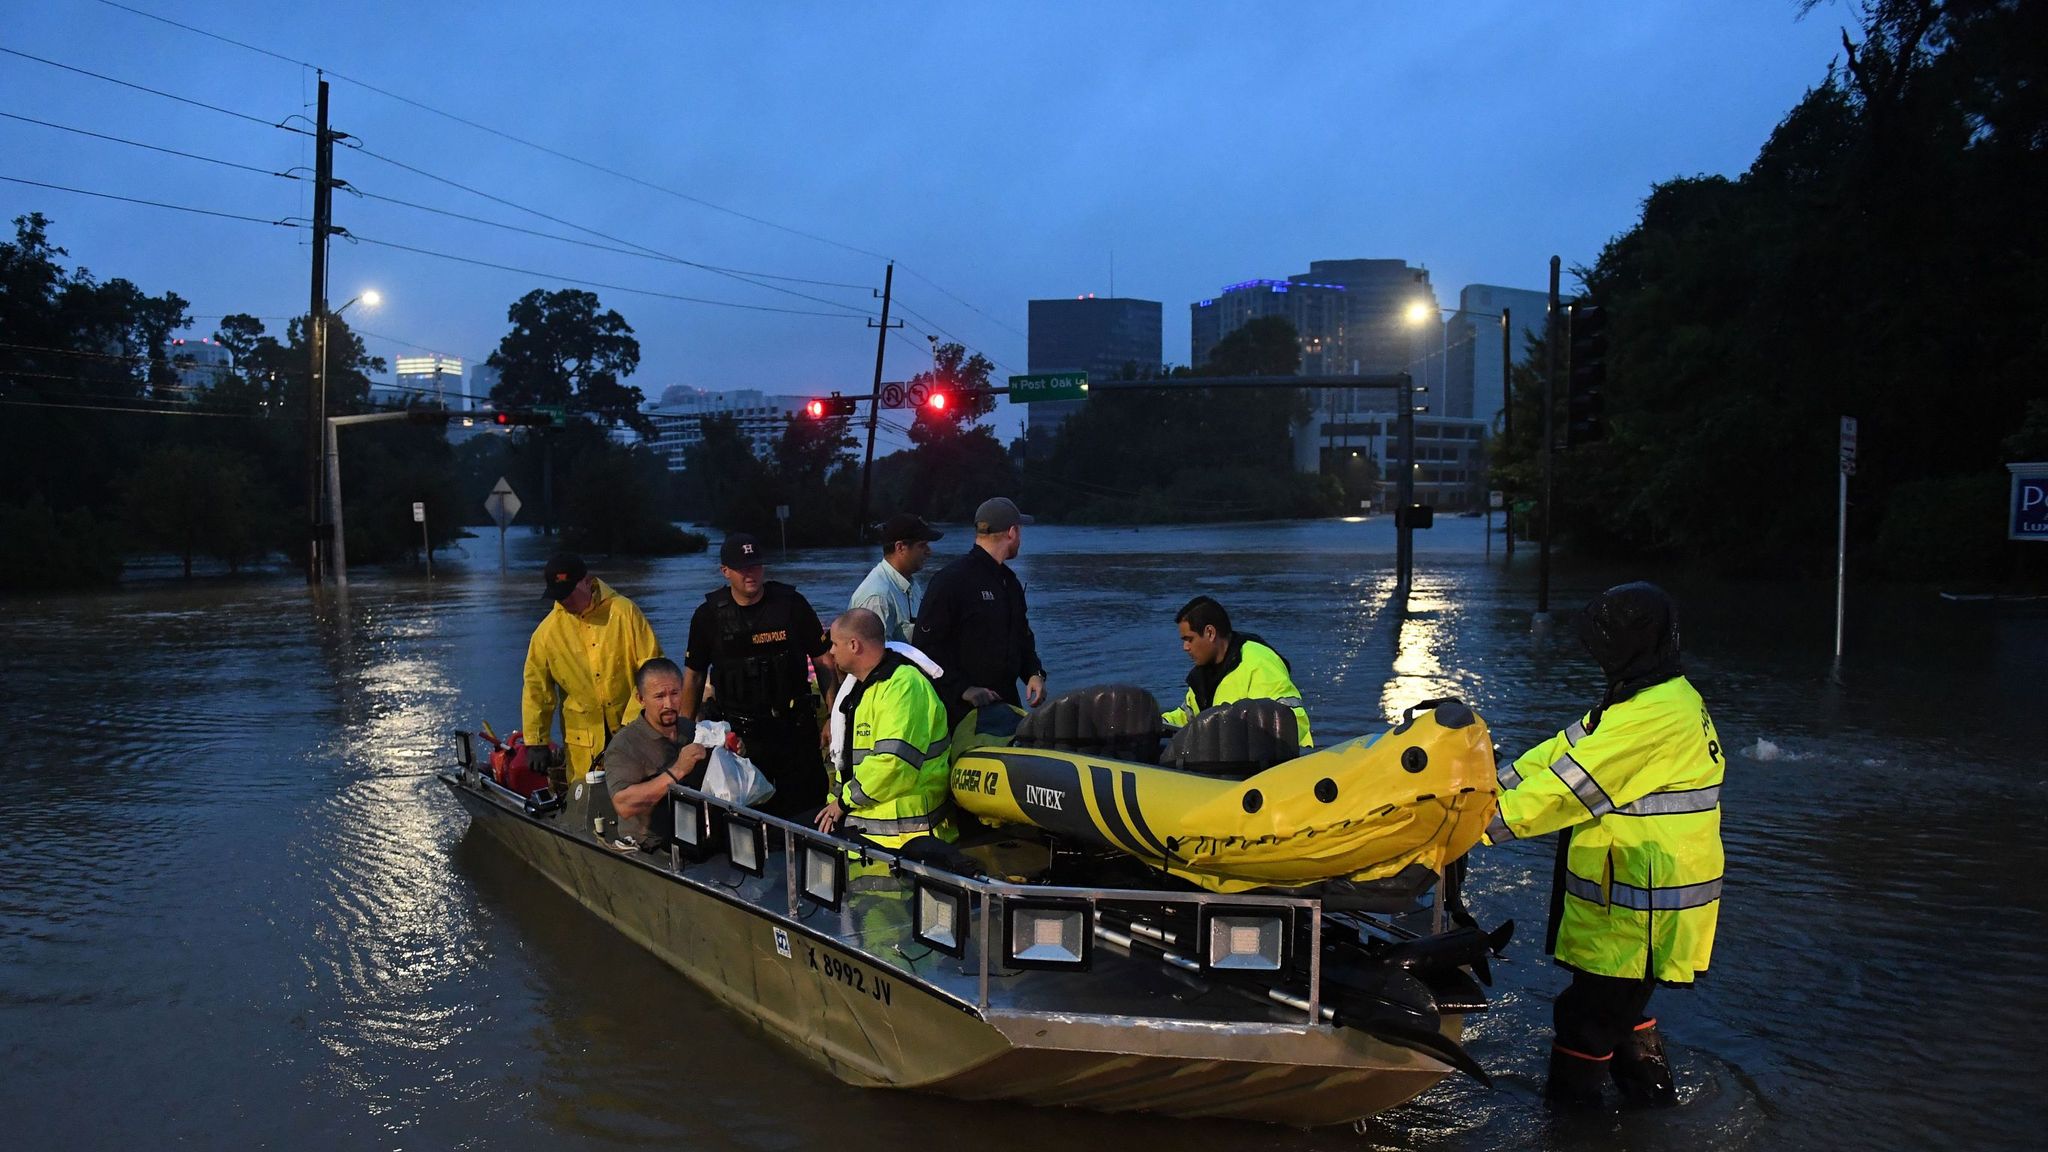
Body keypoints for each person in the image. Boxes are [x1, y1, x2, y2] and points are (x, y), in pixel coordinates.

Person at [1484, 582, 1725, 1109]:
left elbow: (1571, 787)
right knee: (1620, 1008)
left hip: (1643, 901)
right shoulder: (1650, 694)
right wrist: (1490, 782)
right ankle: (1652, 1107)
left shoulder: (1653, 714)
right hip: (1632, 896)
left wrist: (1477, 824)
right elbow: (1563, 750)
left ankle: (1573, 1129)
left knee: (1588, 1021)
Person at [680, 533, 835, 819]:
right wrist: (683, 734)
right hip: (740, 739)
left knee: (809, 809)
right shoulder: (708, 617)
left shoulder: (791, 605)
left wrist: (833, 718)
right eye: (742, 568)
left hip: (794, 731)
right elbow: (693, 678)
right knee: (746, 819)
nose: (750, 574)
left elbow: (824, 661)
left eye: (755, 566)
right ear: (725, 571)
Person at [815, 609, 954, 849]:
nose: (832, 651)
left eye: (835, 644)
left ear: (854, 645)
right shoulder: (862, 687)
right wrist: (835, 805)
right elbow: (849, 763)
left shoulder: (904, 688)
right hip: (866, 832)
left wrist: (843, 802)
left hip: (905, 840)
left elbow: (893, 764)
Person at [522, 553, 663, 785]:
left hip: (634, 733)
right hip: (583, 747)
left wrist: (633, 723)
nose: (564, 600)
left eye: (569, 593)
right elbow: (536, 691)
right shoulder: (545, 634)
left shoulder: (625, 613)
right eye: (558, 595)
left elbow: (653, 669)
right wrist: (536, 741)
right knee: (586, 807)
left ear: (587, 581)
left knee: (638, 795)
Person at [914, 496, 1046, 726]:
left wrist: (1034, 673)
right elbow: (924, 647)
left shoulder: (1009, 583)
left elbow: (1021, 636)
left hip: (1005, 707)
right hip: (959, 714)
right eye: (1020, 531)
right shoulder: (951, 580)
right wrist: (963, 688)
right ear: (1012, 532)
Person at [1161, 595, 1313, 748]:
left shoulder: (1259, 662)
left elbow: (1292, 721)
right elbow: (1187, 718)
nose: (1185, 647)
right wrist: (1158, 722)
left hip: (1288, 764)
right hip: (1228, 761)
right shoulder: (1202, 675)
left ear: (1210, 633)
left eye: (1189, 639)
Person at [599, 657, 711, 848]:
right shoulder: (625, 745)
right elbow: (623, 805)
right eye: (659, 697)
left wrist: (731, 751)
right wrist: (677, 771)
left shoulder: (690, 730)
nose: (669, 704)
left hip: (695, 834)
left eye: (675, 693)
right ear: (641, 699)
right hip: (649, 846)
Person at [849, 513, 944, 644]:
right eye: (922, 545)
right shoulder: (878, 597)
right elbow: (872, 658)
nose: (929, 551)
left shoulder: (911, 584)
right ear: (900, 547)